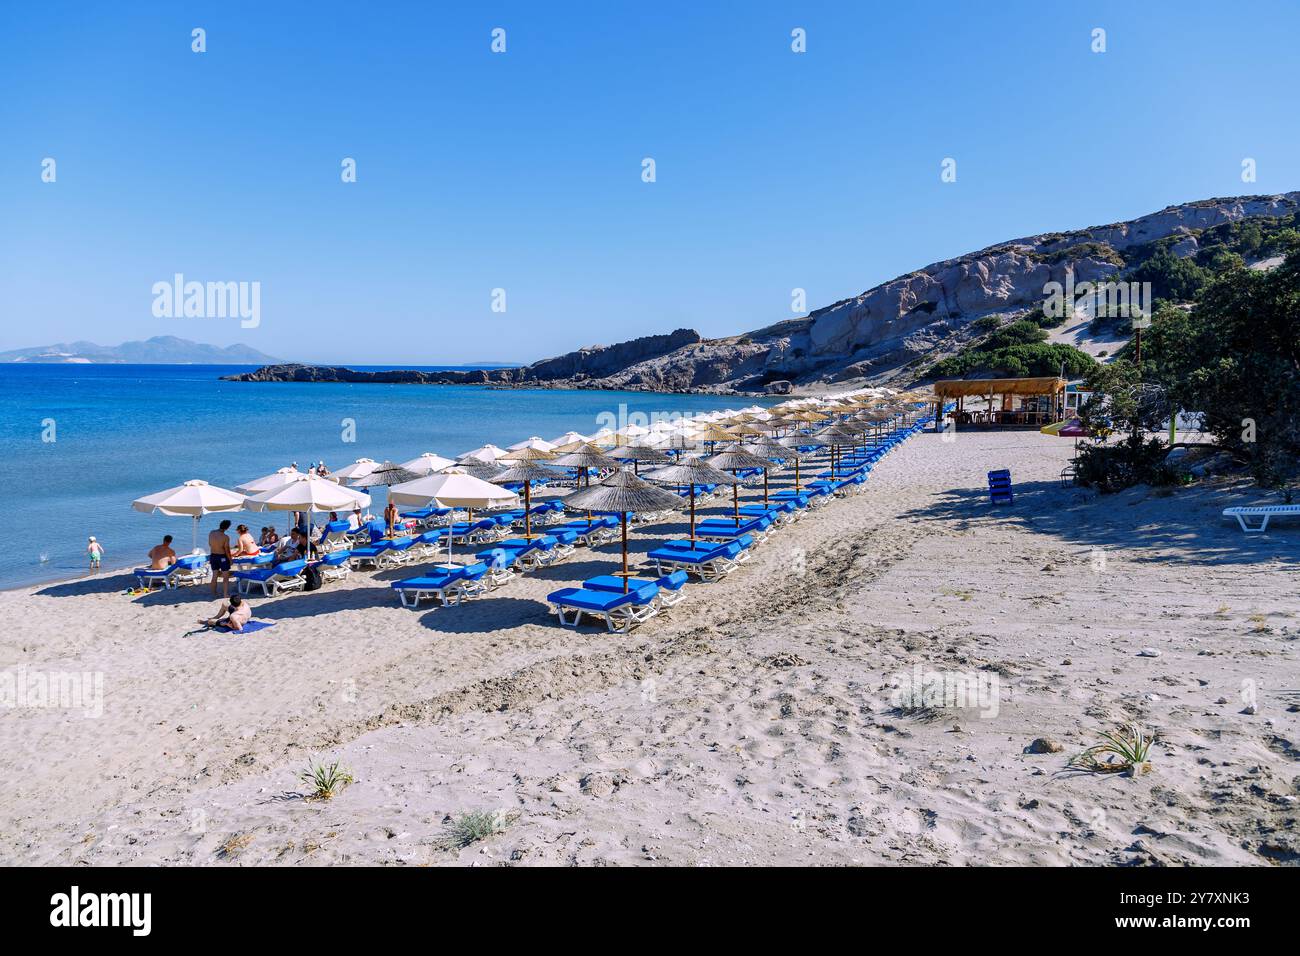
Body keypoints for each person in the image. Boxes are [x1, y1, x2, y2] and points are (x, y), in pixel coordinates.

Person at [208, 519, 233, 598]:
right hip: (222, 557)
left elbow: (210, 544)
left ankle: (213, 592)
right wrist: (230, 559)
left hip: (213, 555)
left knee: (215, 575)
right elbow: (227, 550)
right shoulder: (225, 537)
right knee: (225, 576)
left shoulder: (211, 533)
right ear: (227, 528)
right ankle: (225, 594)